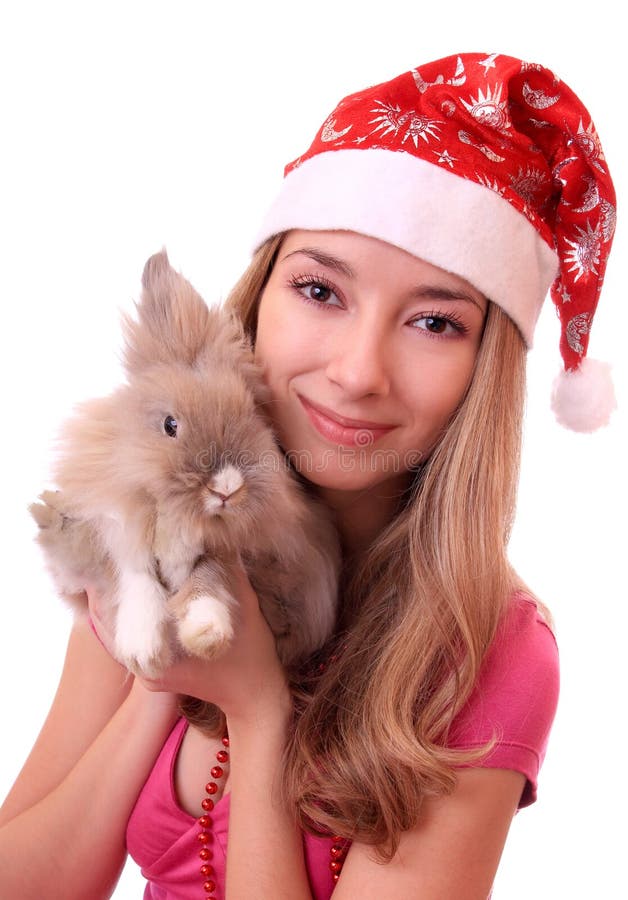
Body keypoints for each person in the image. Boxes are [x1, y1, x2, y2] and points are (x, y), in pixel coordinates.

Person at [0, 50, 615, 899]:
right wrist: (160, 685)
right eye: (321, 292)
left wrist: (256, 709)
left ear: (486, 369)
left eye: (435, 321)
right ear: (259, 298)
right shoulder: (159, 518)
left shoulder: (489, 653)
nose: (359, 371)